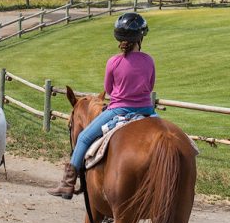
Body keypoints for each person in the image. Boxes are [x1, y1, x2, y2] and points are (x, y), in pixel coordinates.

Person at [48, 12, 156, 198]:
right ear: (140, 38)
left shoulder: (113, 62)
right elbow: (151, 84)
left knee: (83, 138)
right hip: (147, 111)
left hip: (119, 109)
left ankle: (67, 183)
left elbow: (108, 88)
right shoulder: (149, 60)